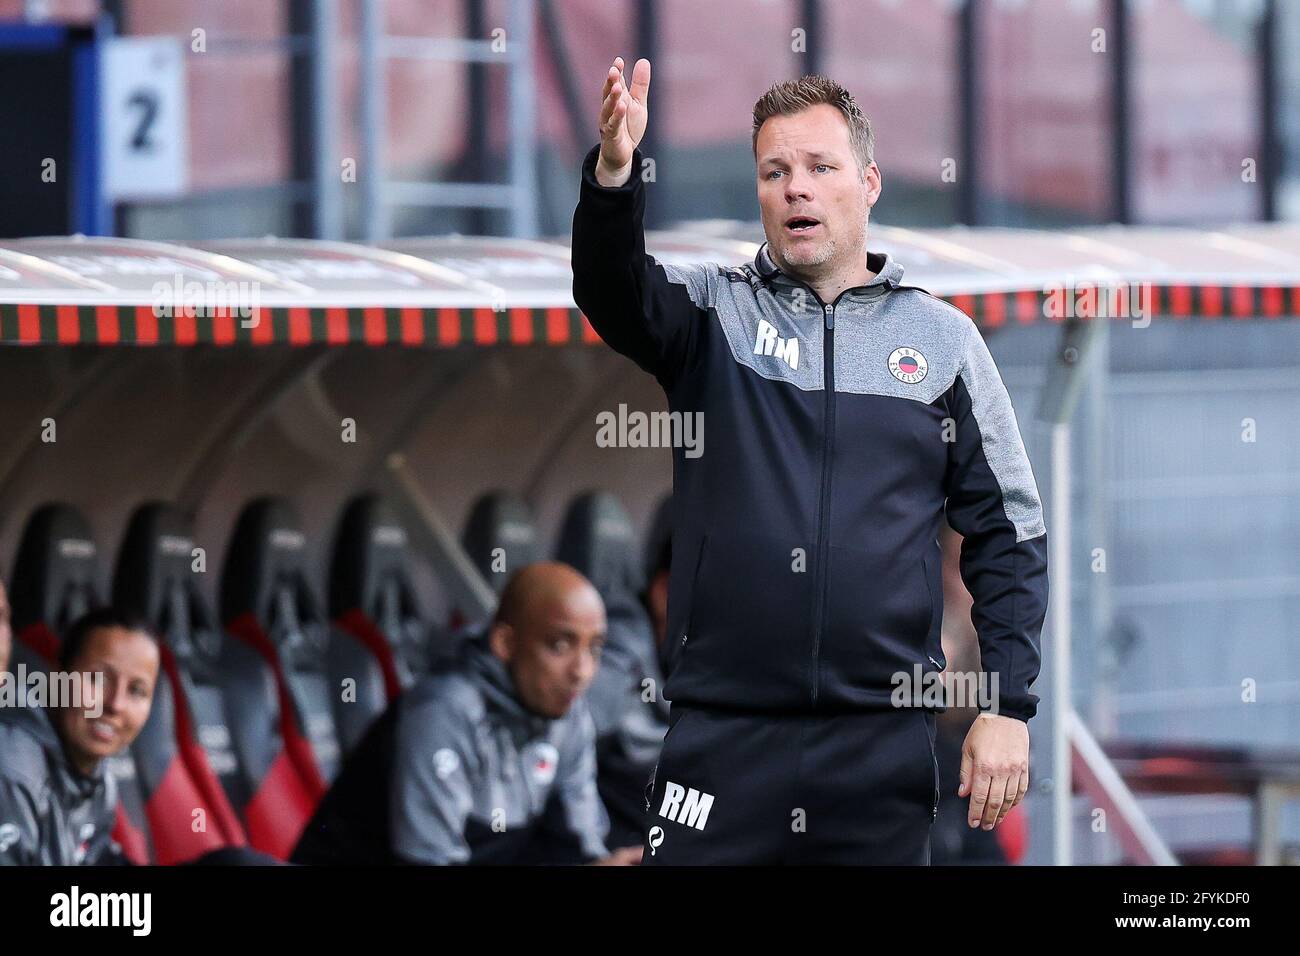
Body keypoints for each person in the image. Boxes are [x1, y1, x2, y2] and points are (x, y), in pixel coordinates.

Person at [572, 61, 1049, 864]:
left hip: (881, 747)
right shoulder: (710, 313)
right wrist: (615, 172)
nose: (796, 188)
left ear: (868, 184)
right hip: (722, 738)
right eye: (774, 171)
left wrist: (1007, 705)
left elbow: (1012, 534)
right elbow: (611, 290)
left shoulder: (943, 341)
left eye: (819, 168)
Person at [292, 562, 642, 865]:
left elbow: (578, 847)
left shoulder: (567, 711)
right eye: (560, 645)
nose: (581, 670)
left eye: (595, 648)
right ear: (505, 643)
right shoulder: (444, 712)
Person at [0, 607, 159, 865]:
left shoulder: (95, 769)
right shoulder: (12, 770)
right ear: (58, 674)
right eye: (98, 679)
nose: (115, 704)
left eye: (137, 691)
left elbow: (95, 857)